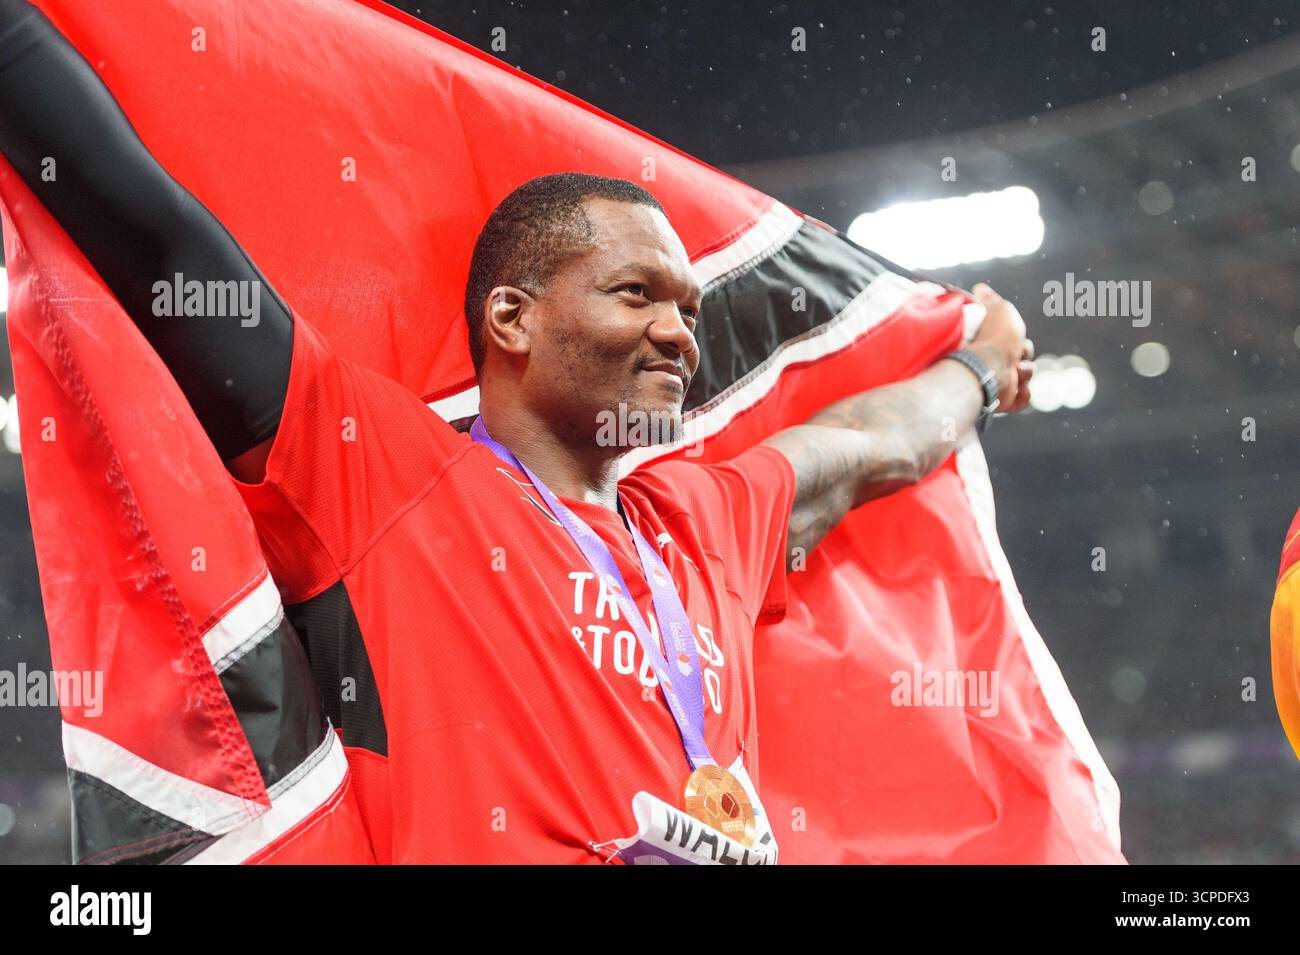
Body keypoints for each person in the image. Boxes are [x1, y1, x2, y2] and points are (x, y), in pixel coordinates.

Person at [0, 0, 1033, 862]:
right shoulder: (382, 471)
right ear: (512, 318)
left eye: (688, 309)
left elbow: (873, 443)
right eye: (637, 294)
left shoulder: (708, 516)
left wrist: (981, 365)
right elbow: (152, 230)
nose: (678, 332)